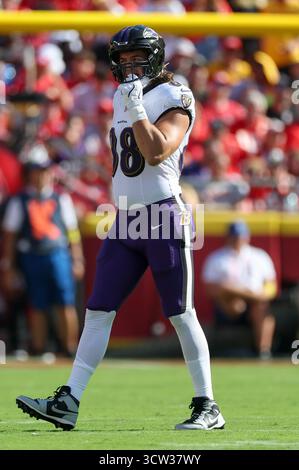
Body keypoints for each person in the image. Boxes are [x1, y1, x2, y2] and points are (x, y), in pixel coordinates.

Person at [16, 25, 225, 432]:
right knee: (97, 309)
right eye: (123, 59)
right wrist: (131, 104)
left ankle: (208, 406)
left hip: (163, 214)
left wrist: (139, 109)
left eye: (137, 57)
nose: (130, 66)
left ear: (157, 57)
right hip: (125, 216)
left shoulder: (176, 94)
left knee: (181, 314)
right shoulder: (120, 95)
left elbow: (156, 150)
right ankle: (69, 400)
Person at [1, 144, 84, 357]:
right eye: (37, 171)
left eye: (45, 171)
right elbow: (10, 236)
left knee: (65, 302)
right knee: (37, 304)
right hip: (32, 255)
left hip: (57, 253)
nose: (42, 176)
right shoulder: (20, 201)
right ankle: (39, 348)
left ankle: (70, 349)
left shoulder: (61, 199)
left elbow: (72, 232)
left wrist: (77, 259)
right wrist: (8, 266)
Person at [202, 220, 277, 359]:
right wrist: (242, 293)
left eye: (240, 236)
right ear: (228, 237)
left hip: (255, 302)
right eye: (234, 236)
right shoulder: (217, 258)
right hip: (228, 303)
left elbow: (271, 285)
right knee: (235, 302)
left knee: (261, 307)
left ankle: (263, 351)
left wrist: (260, 295)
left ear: (247, 236)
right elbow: (211, 289)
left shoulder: (259, 256)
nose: (238, 240)